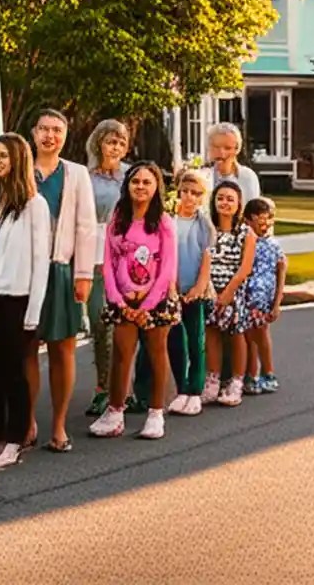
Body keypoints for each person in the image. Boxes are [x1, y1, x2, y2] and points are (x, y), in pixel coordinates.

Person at [89, 162, 180, 439]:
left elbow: (167, 268)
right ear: (127, 186)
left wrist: (148, 305)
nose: (140, 187)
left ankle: (155, 414)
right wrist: (120, 301)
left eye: (146, 182)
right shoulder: (118, 219)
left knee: (156, 355)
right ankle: (115, 412)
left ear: (156, 188)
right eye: (135, 182)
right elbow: (109, 262)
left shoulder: (163, 222)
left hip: (156, 301)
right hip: (123, 302)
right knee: (120, 356)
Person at [0, 133, 51, 470]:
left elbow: (40, 262)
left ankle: (17, 438)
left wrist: (32, 314)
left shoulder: (34, 206)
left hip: (17, 300)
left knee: (14, 374)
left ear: (17, 160)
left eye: (3, 156)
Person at [27, 109, 97, 453]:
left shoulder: (76, 174)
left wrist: (83, 274)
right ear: (33, 133)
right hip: (23, 273)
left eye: (57, 130)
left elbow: (86, 226)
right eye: (44, 129)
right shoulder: (21, 169)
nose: (50, 136)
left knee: (62, 348)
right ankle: (27, 422)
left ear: (65, 136)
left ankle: (58, 424)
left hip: (61, 269)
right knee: (25, 348)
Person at [82, 119, 135, 417]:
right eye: (110, 141)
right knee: (101, 323)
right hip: (95, 254)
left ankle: (124, 389)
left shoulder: (132, 176)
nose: (116, 147)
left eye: (121, 142)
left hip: (128, 255)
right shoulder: (86, 178)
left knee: (127, 325)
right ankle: (103, 387)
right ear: (98, 143)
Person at [165, 168, 215, 417]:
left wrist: (198, 287)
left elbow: (207, 258)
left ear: (202, 197)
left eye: (196, 193)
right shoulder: (169, 222)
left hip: (197, 291)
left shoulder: (204, 224)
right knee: (176, 341)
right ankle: (181, 389)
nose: (190, 198)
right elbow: (166, 257)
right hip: (173, 290)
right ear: (179, 192)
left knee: (196, 340)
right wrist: (171, 288)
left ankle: (195, 391)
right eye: (186, 192)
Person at [202, 181, 257, 407]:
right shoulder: (207, 229)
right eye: (220, 198)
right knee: (211, 332)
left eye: (230, 199)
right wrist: (211, 291)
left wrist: (228, 293)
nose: (224, 203)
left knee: (236, 334)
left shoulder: (246, 232)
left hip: (234, 290)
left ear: (238, 204)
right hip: (210, 289)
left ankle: (236, 382)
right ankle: (212, 381)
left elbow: (245, 268)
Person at [241, 197, 286, 395]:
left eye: (268, 220)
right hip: (246, 299)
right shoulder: (245, 242)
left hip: (263, 300)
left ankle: (268, 373)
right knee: (249, 338)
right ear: (247, 221)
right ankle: (252, 375)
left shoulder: (273, 245)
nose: (265, 225)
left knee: (261, 336)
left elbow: (281, 271)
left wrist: (277, 303)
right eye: (259, 220)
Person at [200, 122, 261, 202]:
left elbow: (252, 210)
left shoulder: (248, 177)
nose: (221, 153)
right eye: (216, 147)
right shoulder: (202, 177)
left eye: (227, 148)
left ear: (237, 149)